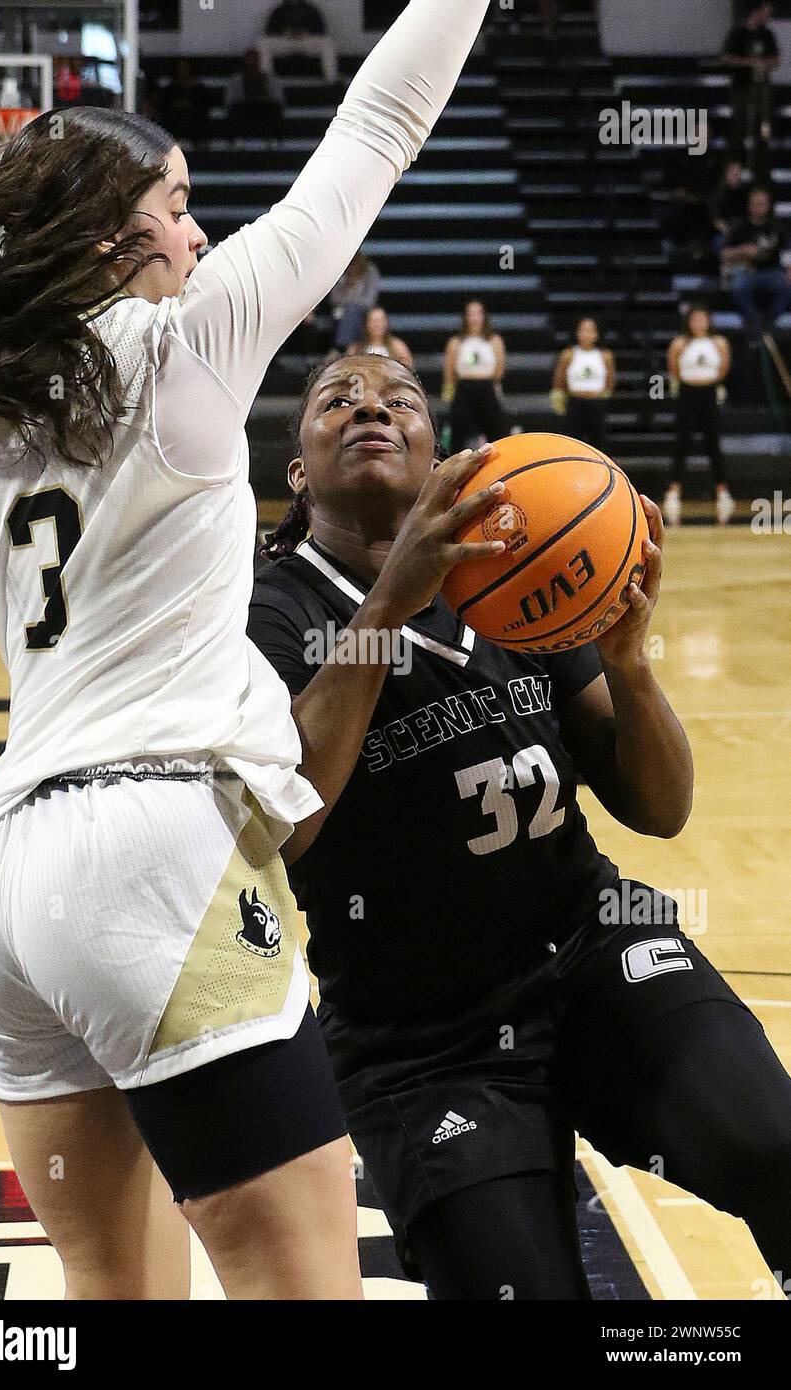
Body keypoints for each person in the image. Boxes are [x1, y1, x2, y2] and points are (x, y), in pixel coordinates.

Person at [0, 0, 496, 1301]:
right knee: (298, 1285)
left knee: (110, 1301)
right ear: (109, 230)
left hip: (3, 891)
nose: (197, 230)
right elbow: (385, 125)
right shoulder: (190, 345)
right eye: (177, 203)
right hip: (152, 856)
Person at [249, 351, 791, 1301]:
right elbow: (291, 819)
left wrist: (628, 663)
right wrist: (389, 604)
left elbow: (659, 809)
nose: (370, 407)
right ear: (298, 470)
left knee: (775, 1145)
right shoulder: (267, 610)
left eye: (400, 400)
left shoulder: (520, 575)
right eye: (337, 400)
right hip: (421, 1041)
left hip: (592, 948)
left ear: (437, 458)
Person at [664, 306, 733, 528]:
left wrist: (710, 384)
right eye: (695, 319)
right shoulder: (680, 343)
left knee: (713, 442)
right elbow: (673, 368)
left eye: (703, 319)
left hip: (709, 393)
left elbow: (723, 368)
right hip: (687, 393)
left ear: (709, 321)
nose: (699, 323)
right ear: (689, 322)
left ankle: (722, 491)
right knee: (682, 442)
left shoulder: (719, 342)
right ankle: (674, 491)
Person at [721, 185, 791, 340]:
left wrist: (789, 270)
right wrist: (742, 250)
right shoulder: (739, 226)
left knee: (787, 286)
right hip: (746, 271)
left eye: (762, 204)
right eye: (755, 203)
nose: (759, 207)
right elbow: (724, 254)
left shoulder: (777, 226)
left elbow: (787, 251)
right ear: (749, 205)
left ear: (768, 205)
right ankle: (753, 319)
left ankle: (769, 320)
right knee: (738, 285)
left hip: (772, 271)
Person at [722, 1, 780, 176]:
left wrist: (764, 64)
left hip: (762, 88)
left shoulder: (767, 34)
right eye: (766, 11)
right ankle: (735, 166)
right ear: (756, 11)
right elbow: (727, 58)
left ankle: (760, 164)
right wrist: (750, 63)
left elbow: (776, 60)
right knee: (741, 124)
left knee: (763, 126)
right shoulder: (738, 32)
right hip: (742, 87)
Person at [443, 299, 508, 453]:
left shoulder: (494, 340)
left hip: (486, 388)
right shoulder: (456, 342)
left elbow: (499, 371)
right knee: (458, 437)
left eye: (478, 314)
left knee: (499, 435)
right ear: (465, 317)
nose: (474, 318)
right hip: (464, 389)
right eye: (470, 314)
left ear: (484, 316)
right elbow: (449, 372)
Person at [551, 317, 615, 452]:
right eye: (583, 330)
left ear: (597, 334)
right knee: (572, 443)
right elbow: (559, 380)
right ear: (577, 332)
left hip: (596, 403)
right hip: (575, 403)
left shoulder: (605, 355)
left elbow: (610, 381)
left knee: (598, 444)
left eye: (590, 331)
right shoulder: (568, 354)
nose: (586, 334)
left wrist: (602, 396)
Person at [258, 0, 339, 85]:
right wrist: (284, 33)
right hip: (285, 41)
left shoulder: (311, 9)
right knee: (263, 42)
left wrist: (306, 33)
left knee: (327, 43)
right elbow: (269, 30)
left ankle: (331, 80)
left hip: (306, 41)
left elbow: (321, 29)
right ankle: (265, 82)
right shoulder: (279, 10)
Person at [225, 48, 285, 141]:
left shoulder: (270, 78)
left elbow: (278, 96)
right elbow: (230, 98)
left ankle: (275, 139)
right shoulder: (236, 79)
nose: (253, 62)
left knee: (275, 110)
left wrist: (270, 100)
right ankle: (235, 139)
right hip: (244, 105)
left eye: (255, 59)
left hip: (264, 105)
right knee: (233, 111)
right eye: (250, 59)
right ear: (245, 61)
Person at [330, 250, 382, 353]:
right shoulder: (339, 272)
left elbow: (370, 298)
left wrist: (351, 303)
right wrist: (346, 287)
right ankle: (348, 347)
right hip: (341, 310)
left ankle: (341, 348)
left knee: (351, 311)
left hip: (365, 309)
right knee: (346, 313)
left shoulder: (370, 271)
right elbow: (333, 298)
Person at [159, 58, 211, 144]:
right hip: (174, 120)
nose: (183, 71)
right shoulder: (169, 89)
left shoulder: (199, 89)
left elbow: (204, 106)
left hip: (195, 119)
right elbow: (165, 107)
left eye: (185, 68)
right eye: (180, 69)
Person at [346, 306, 413, 367]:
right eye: (374, 321)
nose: (378, 325)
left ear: (386, 323)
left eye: (381, 321)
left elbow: (408, 373)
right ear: (366, 324)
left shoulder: (398, 346)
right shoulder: (354, 349)